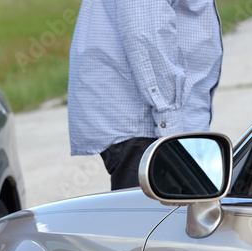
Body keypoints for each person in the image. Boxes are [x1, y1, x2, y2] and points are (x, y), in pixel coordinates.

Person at [68, 0, 223, 190]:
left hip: (154, 124)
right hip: (150, 127)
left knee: (170, 216)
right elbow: (144, 32)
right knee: (156, 217)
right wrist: (169, 125)